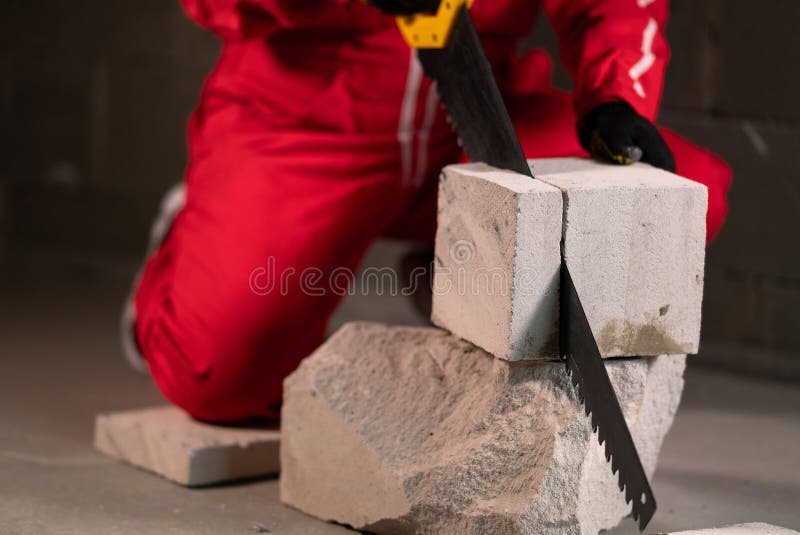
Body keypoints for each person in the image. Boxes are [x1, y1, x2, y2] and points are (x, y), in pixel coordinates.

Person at [123, 0, 731, 422]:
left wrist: (616, 92)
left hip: (471, 112)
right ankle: (189, 230)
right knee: (215, 375)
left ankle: (454, 278)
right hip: (303, 116)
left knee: (672, 205)